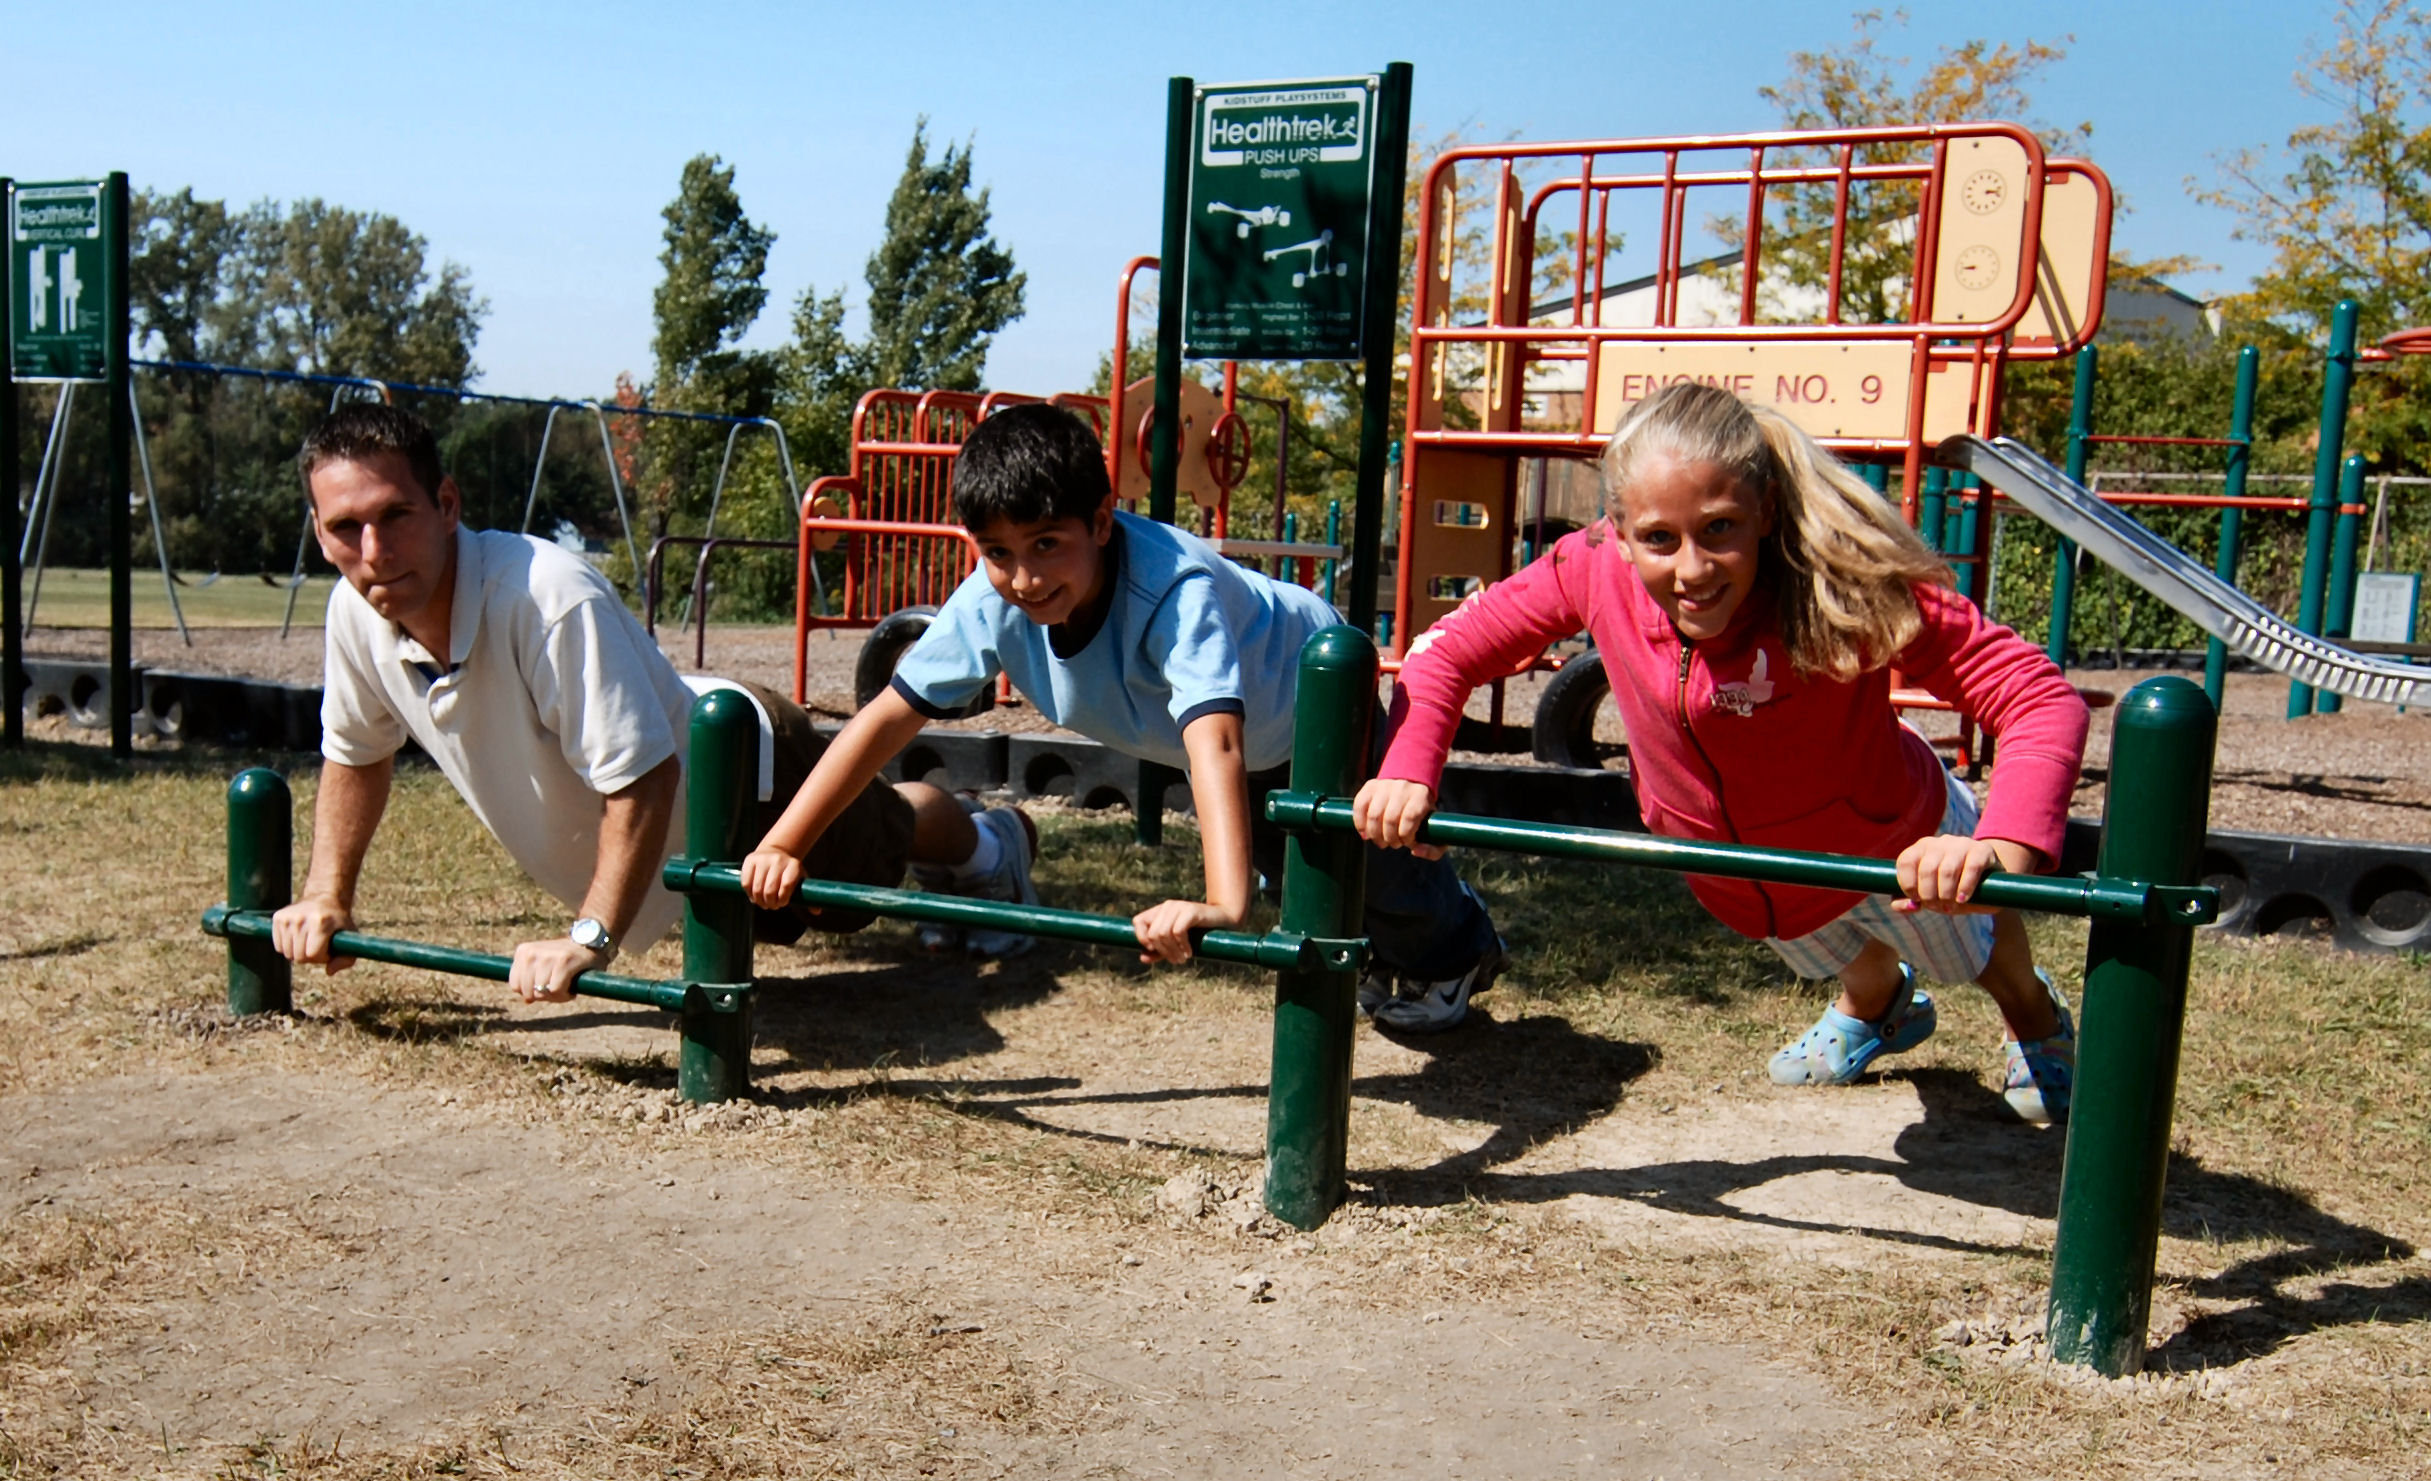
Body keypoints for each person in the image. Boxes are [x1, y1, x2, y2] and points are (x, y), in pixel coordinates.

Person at [1354, 382, 2090, 1122]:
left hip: (1881, 839)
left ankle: (2033, 1017)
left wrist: (2002, 843)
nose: (1693, 569)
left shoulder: (1840, 576)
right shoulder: (1590, 566)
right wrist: (1407, 768)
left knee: (1975, 944)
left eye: (1719, 529)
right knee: (1813, 934)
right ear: (1617, 528)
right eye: (1659, 539)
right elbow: (1444, 651)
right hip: (1732, 866)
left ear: (1765, 511)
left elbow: (2032, 693)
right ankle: (1879, 1006)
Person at [738, 402, 1506, 1029]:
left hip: (1310, 690)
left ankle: (1459, 949)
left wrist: (1220, 904)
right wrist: (782, 842)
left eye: (1046, 543)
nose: (1025, 576)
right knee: (1289, 861)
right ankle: (1381, 945)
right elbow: (882, 722)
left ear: (1103, 522)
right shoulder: (988, 599)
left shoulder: (1175, 593)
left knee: (1374, 859)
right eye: (997, 551)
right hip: (1241, 742)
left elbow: (1218, 746)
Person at [267, 403, 1040, 1006]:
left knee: (871, 858)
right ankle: (964, 835)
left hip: (742, 764)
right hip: (673, 806)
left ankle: (989, 842)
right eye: (345, 527)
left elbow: (645, 779)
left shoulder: (543, 597)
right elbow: (355, 754)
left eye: (394, 514)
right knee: (782, 907)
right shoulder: (354, 611)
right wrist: (326, 896)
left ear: (444, 502)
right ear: (318, 530)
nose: (373, 551)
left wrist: (589, 938)